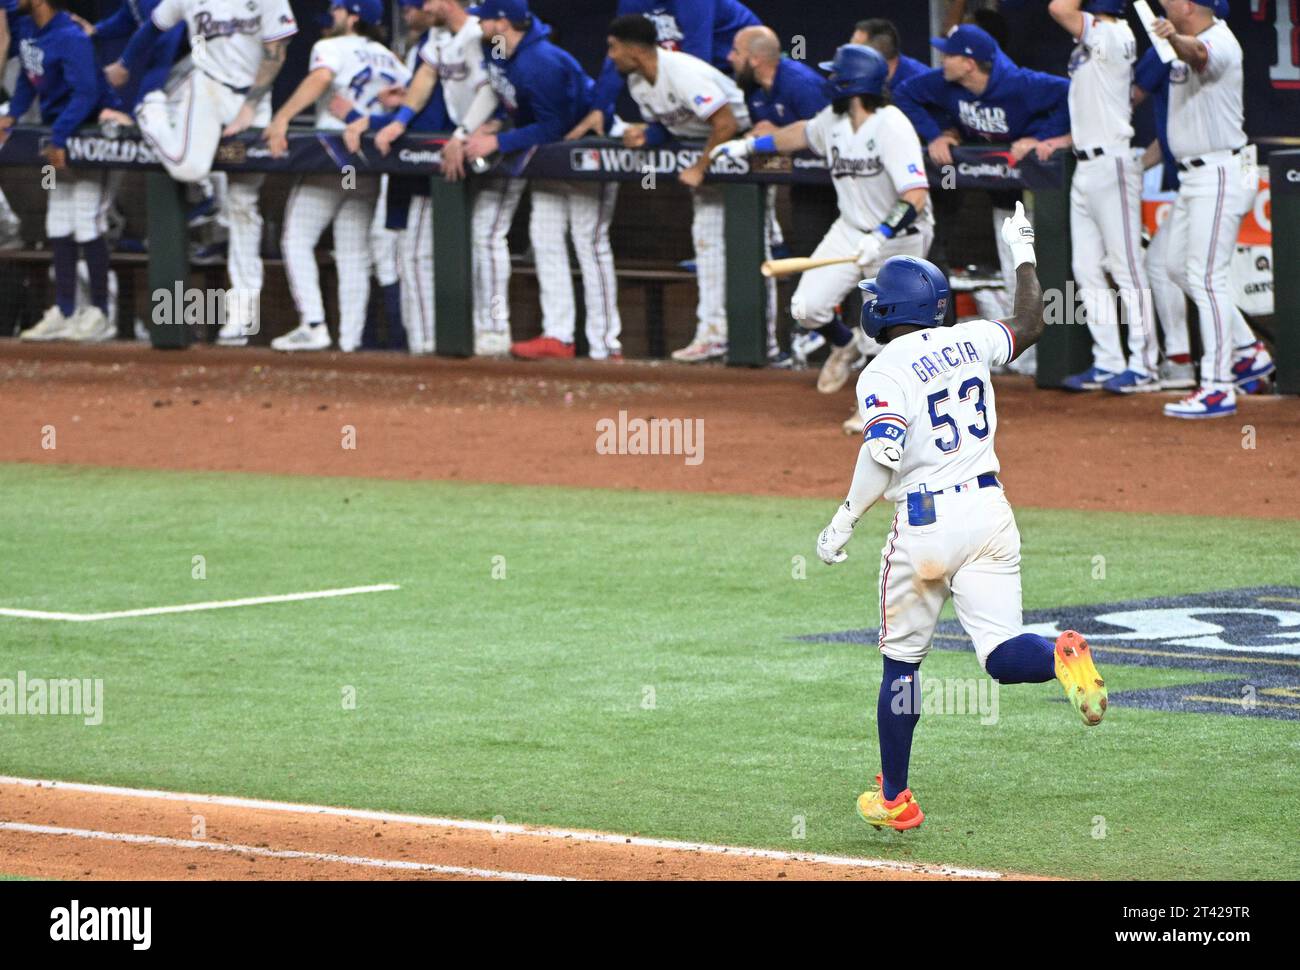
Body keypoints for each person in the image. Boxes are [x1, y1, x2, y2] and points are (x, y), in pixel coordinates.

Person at [815, 208, 1109, 831]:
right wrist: (1023, 247)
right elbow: (1031, 322)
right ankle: (1059, 653)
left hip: (925, 525)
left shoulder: (882, 372)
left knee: (902, 664)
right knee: (1002, 652)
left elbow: (882, 450)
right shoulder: (969, 338)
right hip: (991, 512)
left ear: (885, 312)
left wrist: (844, 519)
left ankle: (895, 798)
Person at [712, 44, 933, 432]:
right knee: (805, 307)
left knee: (883, 332)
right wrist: (748, 145)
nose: (828, 81)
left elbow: (915, 194)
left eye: (836, 76)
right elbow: (799, 134)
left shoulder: (893, 126)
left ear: (852, 83)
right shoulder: (834, 119)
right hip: (849, 230)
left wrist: (882, 235)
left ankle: (876, 408)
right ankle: (841, 343)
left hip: (899, 239)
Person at [109, 0, 298, 345]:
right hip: (207, 88)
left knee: (242, 204)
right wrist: (125, 64)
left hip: (254, 99)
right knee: (189, 167)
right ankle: (151, 111)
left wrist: (250, 106)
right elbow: (153, 25)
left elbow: (276, 52)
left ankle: (241, 314)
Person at [893, 25, 1071, 372]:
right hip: (1001, 189)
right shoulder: (946, 83)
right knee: (1012, 267)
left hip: (1039, 187)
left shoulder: (1020, 84)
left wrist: (1041, 136)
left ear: (970, 63)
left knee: (1039, 267)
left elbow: (1070, 95)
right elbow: (905, 93)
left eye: (950, 54)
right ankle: (1024, 357)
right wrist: (938, 132)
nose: (943, 60)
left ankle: (1052, 358)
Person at [458, 0, 622, 361]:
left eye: (484, 19)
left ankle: (607, 344)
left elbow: (554, 127)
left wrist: (497, 141)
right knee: (545, 238)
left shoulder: (541, 61)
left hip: (587, 152)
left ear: (502, 22)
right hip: (549, 158)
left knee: (589, 243)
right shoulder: (502, 49)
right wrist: (500, 120)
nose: (479, 25)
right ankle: (558, 336)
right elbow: (511, 97)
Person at [261, 0, 409, 353]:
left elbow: (322, 77)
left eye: (338, 12)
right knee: (353, 253)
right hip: (367, 169)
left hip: (337, 164)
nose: (332, 19)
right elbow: (410, 99)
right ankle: (350, 341)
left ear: (354, 16)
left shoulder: (330, 47)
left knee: (296, 239)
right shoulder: (390, 57)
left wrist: (281, 117)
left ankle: (313, 324)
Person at [608, 12, 753, 363]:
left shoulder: (682, 72)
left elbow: (726, 122)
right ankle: (713, 334)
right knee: (706, 244)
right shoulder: (638, 83)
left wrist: (700, 167)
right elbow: (670, 126)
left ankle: (759, 342)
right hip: (707, 155)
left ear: (634, 49)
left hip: (744, 152)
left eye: (613, 48)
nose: (610, 56)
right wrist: (646, 134)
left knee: (751, 247)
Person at [1153, 0, 1273, 419]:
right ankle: (1247, 351)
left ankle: (1219, 386)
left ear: (1188, 5)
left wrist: (1175, 39)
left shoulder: (1219, 39)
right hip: (1195, 175)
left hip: (1220, 169)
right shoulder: (1192, 38)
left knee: (1207, 277)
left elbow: (1199, 54)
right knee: (1173, 266)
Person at [1049, 0, 1159, 393]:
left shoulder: (1113, 33)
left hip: (1111, 161)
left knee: (1127, 267)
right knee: (1086, 268)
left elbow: (1058, 8)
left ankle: (1144, 364)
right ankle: (1109, 360)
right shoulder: (1100, 34)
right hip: (1087, 163)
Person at [1, 0, 112, 343]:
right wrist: (13, 115)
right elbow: (26, 82)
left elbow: (87, 93)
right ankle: (65, 310)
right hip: (54, 139)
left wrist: (61, 136)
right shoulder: (27, 30)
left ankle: (100, 312)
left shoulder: (71, 36)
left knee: (86, 219)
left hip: (87, 135)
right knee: (56, 220)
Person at [569, 0, 761, 140]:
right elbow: (621, 50)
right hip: (695, 76)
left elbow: (697, 58)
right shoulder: (633, 3)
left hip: (742, 74)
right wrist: (599, 108)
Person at [850, 18, 929, 94]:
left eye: (856, 47)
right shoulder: (852, 79)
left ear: (876, 54)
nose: (849, 52)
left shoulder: (922, 83)